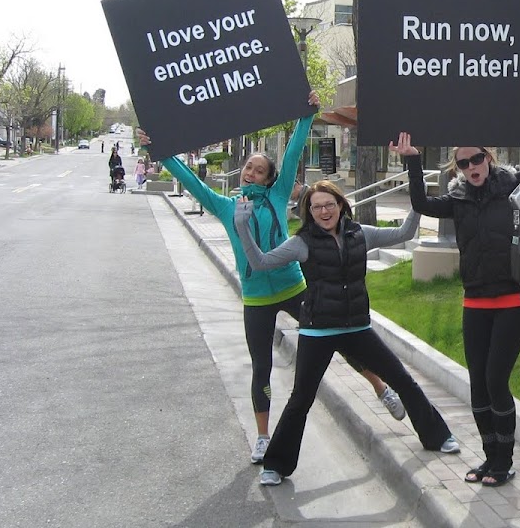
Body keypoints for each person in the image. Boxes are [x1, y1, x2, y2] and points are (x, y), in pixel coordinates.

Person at [137, 91, 406, 466]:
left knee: (341, 341)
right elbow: (191, 182)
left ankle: (381, 388)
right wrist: (160, 151)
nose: (250, 173)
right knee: (260, 366)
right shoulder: (226, 206)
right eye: (248, 167)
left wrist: (307, 116)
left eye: (258, 170)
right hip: (256, 299)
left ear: (269, 179)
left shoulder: (278, 196)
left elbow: (293, 153)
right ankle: (263, 438)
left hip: (294, 288)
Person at [235, 180, 460, 486]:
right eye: (316, 207)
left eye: (329, 204)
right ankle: (275, 465)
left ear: (341, 205)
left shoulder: (360, 233)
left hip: (357, 328)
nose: (324, 211)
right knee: (301, 398)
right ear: (309, 212)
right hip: (318, 331)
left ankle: (438, 436)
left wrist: (418, 202)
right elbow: (260, 262)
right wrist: (242, 226)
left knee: (402, 379)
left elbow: (405, 234)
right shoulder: (302, 242)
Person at [393, 132, 520, 487]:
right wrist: (413, 159)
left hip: (512, 300)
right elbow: (421, 202)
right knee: (478, 384)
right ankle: (490, 457)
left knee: (496, 379)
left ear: (488, 157)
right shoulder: (457, 199)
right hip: (475, 300)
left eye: (476, 159)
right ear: (458, 167)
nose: (471, 167)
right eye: (463, 163)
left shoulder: (513, 185)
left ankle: (505, 462)